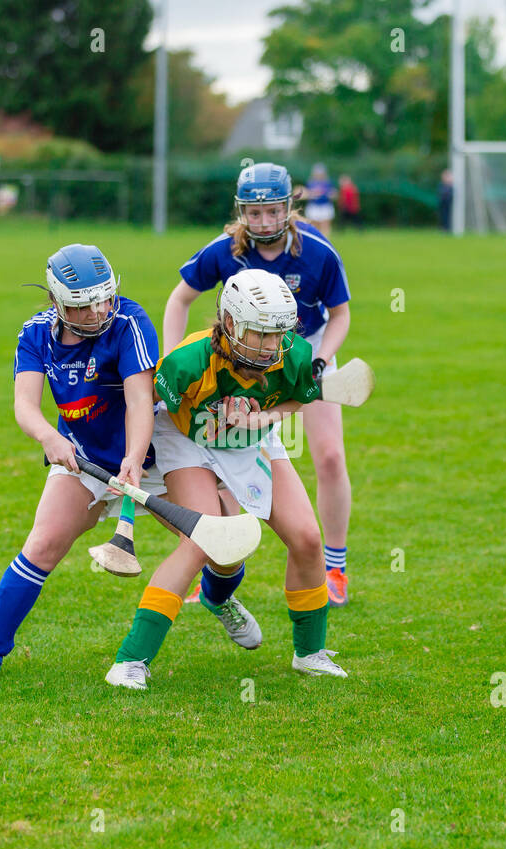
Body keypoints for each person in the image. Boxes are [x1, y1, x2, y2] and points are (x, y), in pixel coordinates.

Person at [106, 270, 345, 690]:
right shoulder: (187, 362)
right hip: (184, 439)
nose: (273, 346)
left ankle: (310, 654)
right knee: (205, 540)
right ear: (231, 324)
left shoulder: (295, 354)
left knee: (307, 537)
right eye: (262, 334)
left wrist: (264, 417)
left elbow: (298, 398)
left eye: (279, 334)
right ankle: (131, 660)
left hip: (251, 438)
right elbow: (143, 402)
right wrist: (130, 456)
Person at [0, 244, 162, 683]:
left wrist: (133, 458)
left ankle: (220, 596)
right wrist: (49, 437)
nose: (97, 311)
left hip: (150, 454)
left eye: (104, 298)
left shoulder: (129, 322)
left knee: (210, 537)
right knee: (42, 545)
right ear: (56, 302)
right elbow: (25, 405)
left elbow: (140, 402)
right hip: (83, 456)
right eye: (83, 304)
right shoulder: (35, 334)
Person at [161, 162, 356, 608]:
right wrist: (174, 360)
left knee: (328, 456)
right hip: (238, 355)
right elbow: (179, 299)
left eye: (273, 211)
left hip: (306, 352)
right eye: (254, 212)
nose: (264, 221)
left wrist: (322, 361)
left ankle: (335, 566)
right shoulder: (225, 250)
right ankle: (214, 563)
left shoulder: (319, 251)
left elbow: (340, 313)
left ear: (290, 207)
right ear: (241, 211)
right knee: (218, 450)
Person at [304, 163, 337, 237]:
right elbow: (306, 194)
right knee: (314, 226)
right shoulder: (310, 183)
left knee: (325, 225)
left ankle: (325, 241)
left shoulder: (328, 183)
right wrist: (312, 194)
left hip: (325, 205)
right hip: (314, 206)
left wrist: (330, 194)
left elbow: (334, 194)